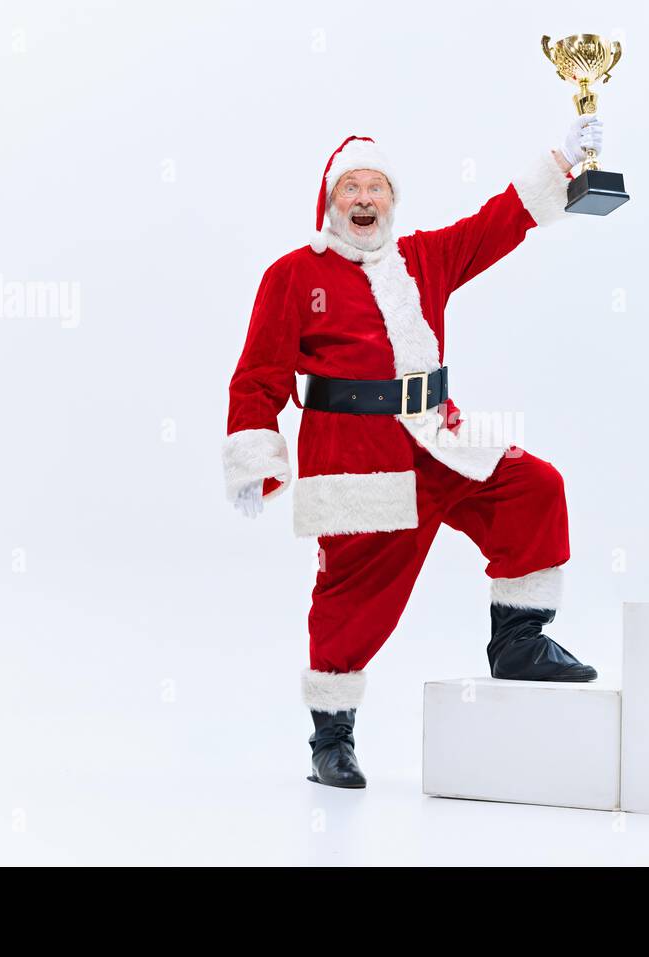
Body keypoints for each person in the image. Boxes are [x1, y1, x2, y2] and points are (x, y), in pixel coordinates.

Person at [223, 115, 605, 788]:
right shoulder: (292, 275)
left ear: (392, 200)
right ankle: (331, 739)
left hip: (438, 442)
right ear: (330, 201)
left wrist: (562, 160)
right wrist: (258, 457)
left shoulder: (424, 258)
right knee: (348, 600)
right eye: (352, 188)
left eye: (377, 187)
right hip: (356, 460)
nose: (365, 199)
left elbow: (498, 222)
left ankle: (517, 643)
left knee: (532, 488)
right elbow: (259, 374)